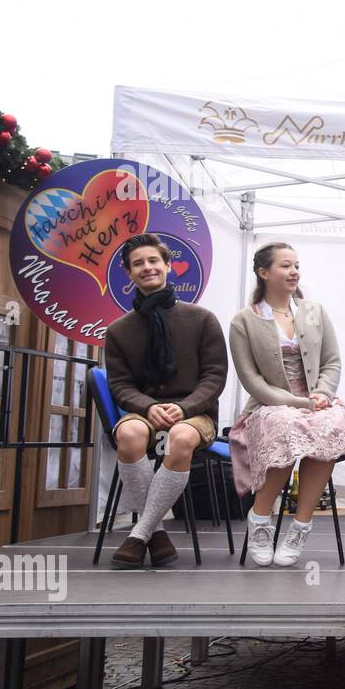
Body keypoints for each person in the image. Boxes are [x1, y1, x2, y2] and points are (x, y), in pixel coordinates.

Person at [227, 243, 345, 567]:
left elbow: (332, 362)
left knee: (330, 426)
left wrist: (321, 393)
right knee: (285, 425)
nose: (294, 272)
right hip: (270, 403)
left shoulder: (314, 311)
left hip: (317, 401)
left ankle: (301, 526)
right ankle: (260, 518)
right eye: (286, 266)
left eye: (296, 266)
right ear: (263, 273)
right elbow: (251, 380)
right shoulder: (243, 321)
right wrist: (294, 402)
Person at [104, 233, 228, 569]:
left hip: (195, 412)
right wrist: (147, 407)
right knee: (128, 436)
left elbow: (215, 377)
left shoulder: (202, 319)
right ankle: (155, 533)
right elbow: (120, 384)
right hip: (144, 409)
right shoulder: (118, 330)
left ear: (168, 265)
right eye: (138, 264)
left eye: (153, 260)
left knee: (180, 437)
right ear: (129, 273)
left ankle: (139, 533)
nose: (147, 267)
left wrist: (185, 408)